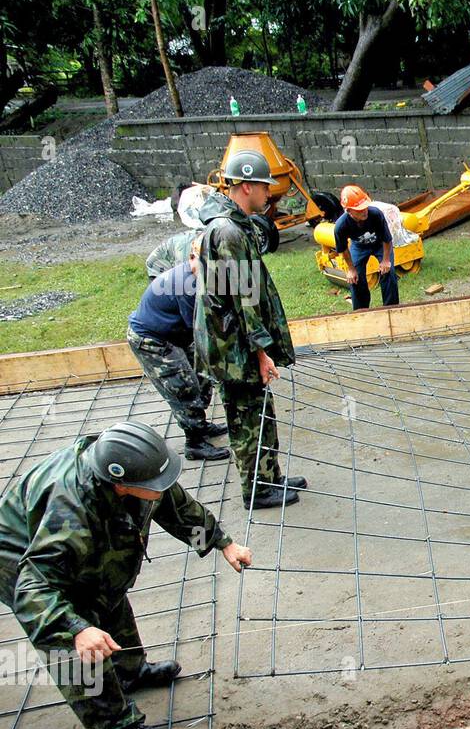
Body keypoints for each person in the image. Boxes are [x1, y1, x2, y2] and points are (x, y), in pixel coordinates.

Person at [0, 421, 252, 729]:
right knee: (78, 642)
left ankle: (129, 671)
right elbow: (33, 587)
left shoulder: (137, 474)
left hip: (66, 546)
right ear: (121, 485)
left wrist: (222, 543)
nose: (161, 487)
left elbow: (174, 506)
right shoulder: (71, 515)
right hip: (26, 564)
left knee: (108, 593)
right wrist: (75, 628)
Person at [194, 149, 307, 510]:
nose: (268, 193)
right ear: (245, 187)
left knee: (260, 409)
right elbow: (244, 298)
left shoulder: (234, 226)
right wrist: (261, 353)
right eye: (263, 187)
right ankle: (256, 490)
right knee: (246, 418)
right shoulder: (227, 232)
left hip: (236, 342)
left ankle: (269, 476)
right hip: (234, 348)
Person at [127, 238, 229, 461]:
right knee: (182, 387)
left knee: (202, 376)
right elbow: (201, 329)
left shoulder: (201, 278)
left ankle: (200, 426)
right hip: (152, 341)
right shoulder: (188, 286)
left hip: (174, 334)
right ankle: (195, 443)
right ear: (192, 258)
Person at [334, 185, 398, 310]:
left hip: (380, 244)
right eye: (359, 210)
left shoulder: (375, 214)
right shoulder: (340, 226)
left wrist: (385, 260)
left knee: (388, 272)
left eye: (365, 207)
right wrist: (351, 269)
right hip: (359, 246)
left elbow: (387, 239)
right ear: (349, 211)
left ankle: (391, 309)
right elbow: (343, 249)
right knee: (355, 278)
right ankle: (361, 311)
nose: (364, 211)